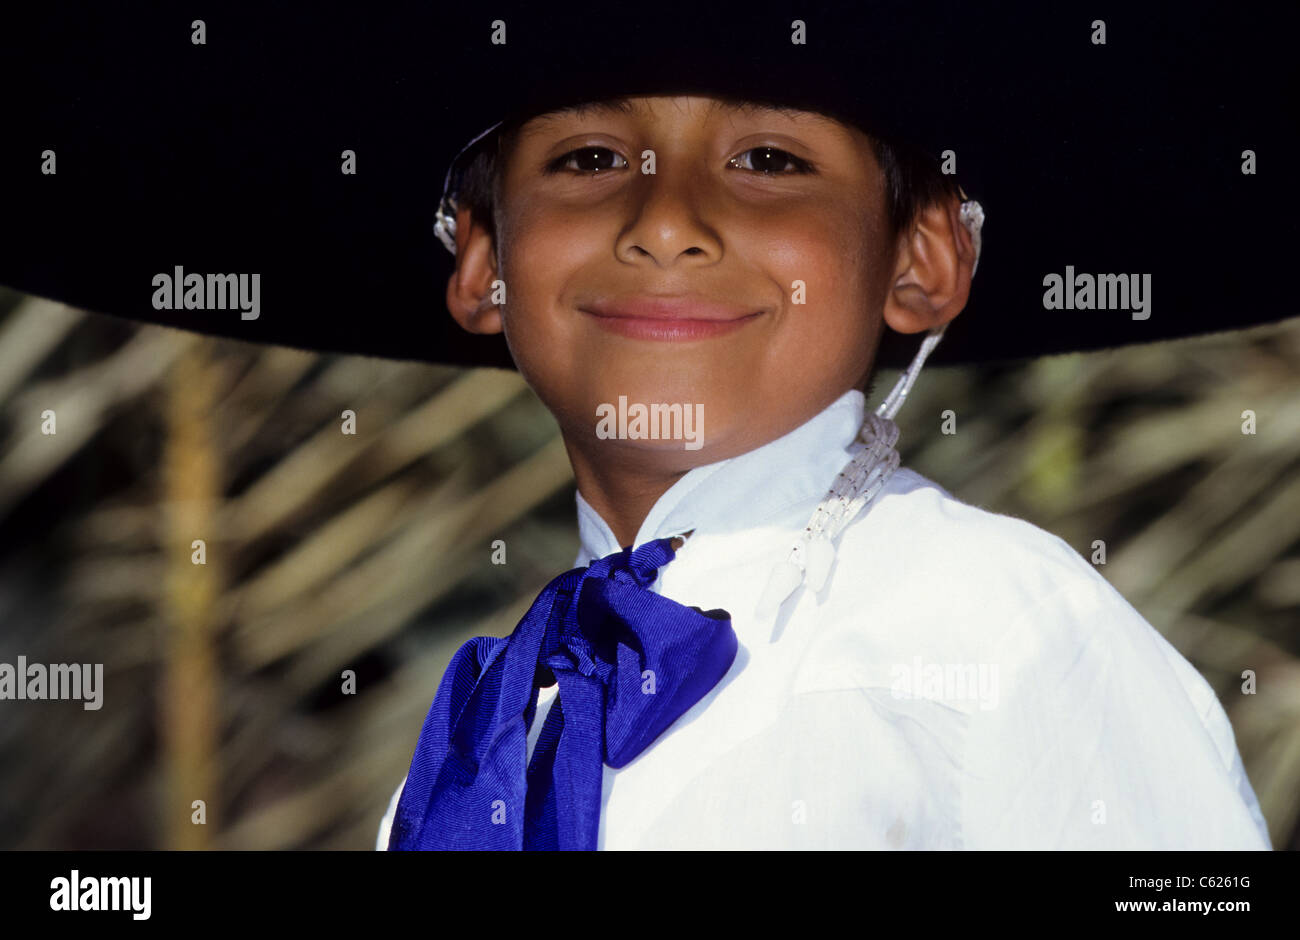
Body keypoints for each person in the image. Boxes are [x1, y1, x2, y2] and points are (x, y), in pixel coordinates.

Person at [0, 3, 1288, 851]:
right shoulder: (487, 735)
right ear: (483, 262)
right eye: (589, 161)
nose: (664, 219)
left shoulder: (1008, 635)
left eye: (771, 160)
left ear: (924, 260)